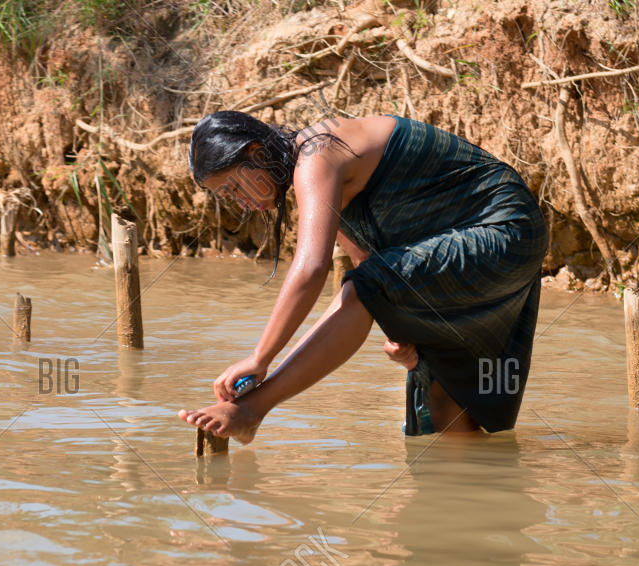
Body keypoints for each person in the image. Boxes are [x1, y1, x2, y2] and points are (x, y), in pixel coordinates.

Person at [177, 110, 548, 441]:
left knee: (369, 284)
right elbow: (371, 268)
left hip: (505, 230)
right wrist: (403, 336)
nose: (239, 201)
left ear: (257, 153)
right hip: (471, 247)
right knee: (439, 413)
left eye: (232, 187)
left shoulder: (316, 155)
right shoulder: (321, 185)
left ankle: (251, 411)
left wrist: (259, 358)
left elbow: (313, 270)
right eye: (225, 196)